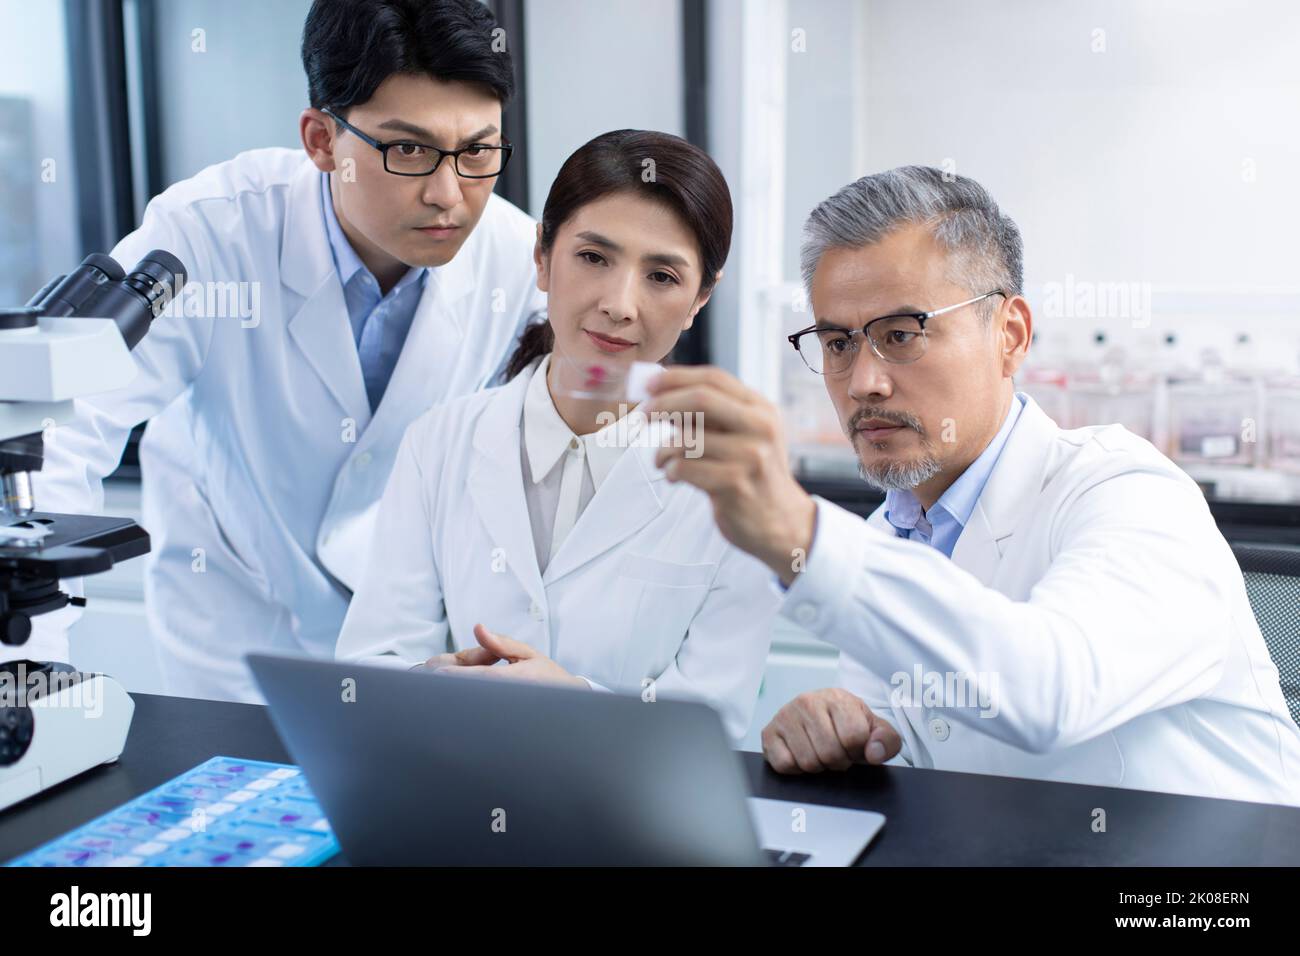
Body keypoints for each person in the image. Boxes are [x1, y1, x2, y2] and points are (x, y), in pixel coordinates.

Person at [645, 165, 1300, 804]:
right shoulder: (893, 535)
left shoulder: (1128, 492)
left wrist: (802, 533)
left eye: (901, 335)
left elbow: (1051, 691)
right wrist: (838, 725)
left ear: (1009, 336)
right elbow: (906, 741)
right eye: (838, 342)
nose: (863, 383)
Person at [20, 0, 546, 703]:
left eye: (478, 151)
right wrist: (28, 668)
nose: (450, 195)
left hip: (413, 639)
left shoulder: (516, 258)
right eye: (408, 150)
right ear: (321, 140)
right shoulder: (210, 232)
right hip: (235, 630)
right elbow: (59, 432)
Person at [335, 130, 780, 741]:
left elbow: (714, 725)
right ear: (542, 259)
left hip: (635, 822)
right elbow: (371, 665)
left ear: (701, 296)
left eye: (662, 276)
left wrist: (571, 704)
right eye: (594, 257)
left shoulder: (734, 483)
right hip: (460, 790)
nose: (620, 305)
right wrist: (436, 685)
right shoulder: (439, 441)